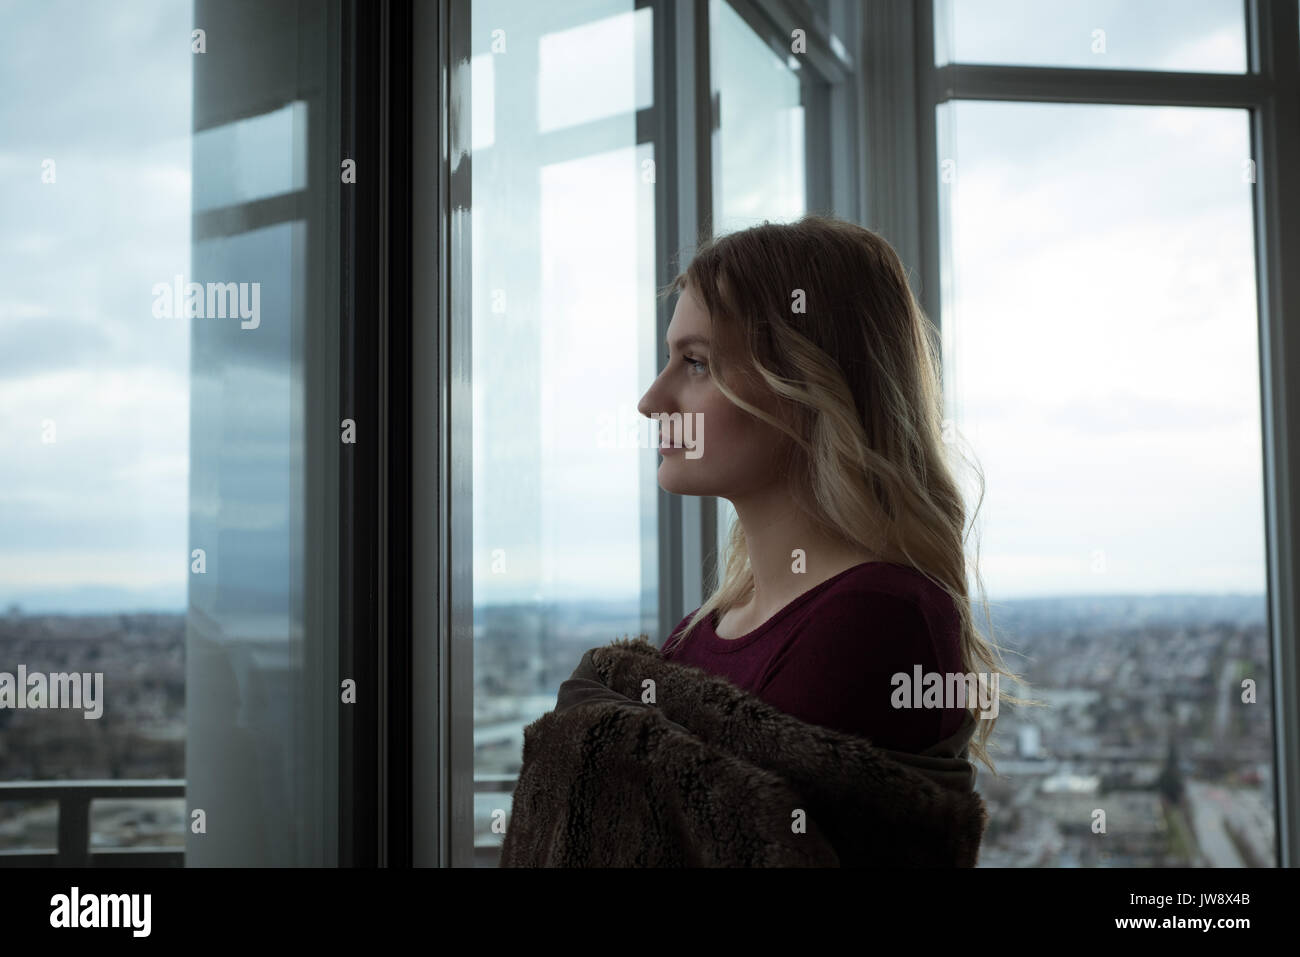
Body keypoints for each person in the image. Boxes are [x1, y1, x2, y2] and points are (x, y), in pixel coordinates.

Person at [636, 214, 1025, 771]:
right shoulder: (705, 627)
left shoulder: (875, 619)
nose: (651, 400)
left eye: (696, 363)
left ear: (808, 386)